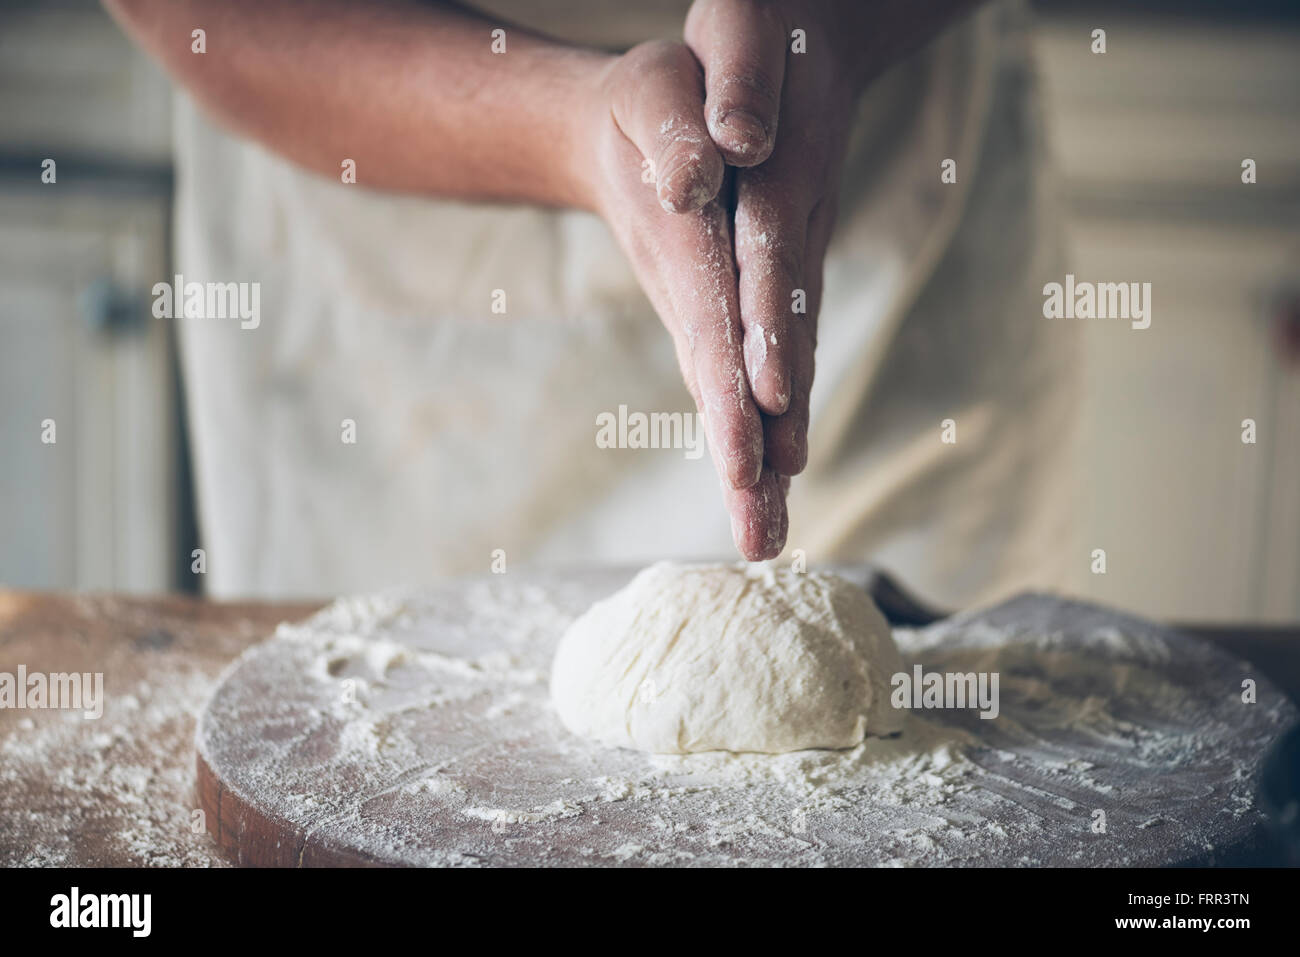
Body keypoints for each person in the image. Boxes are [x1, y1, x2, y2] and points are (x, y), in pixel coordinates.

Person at [104, 0, 1078, 607]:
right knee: (390, 741)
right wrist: (566, 126)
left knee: (936, 756)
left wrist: (833, 25)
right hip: (369, 141)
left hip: (887, 162)